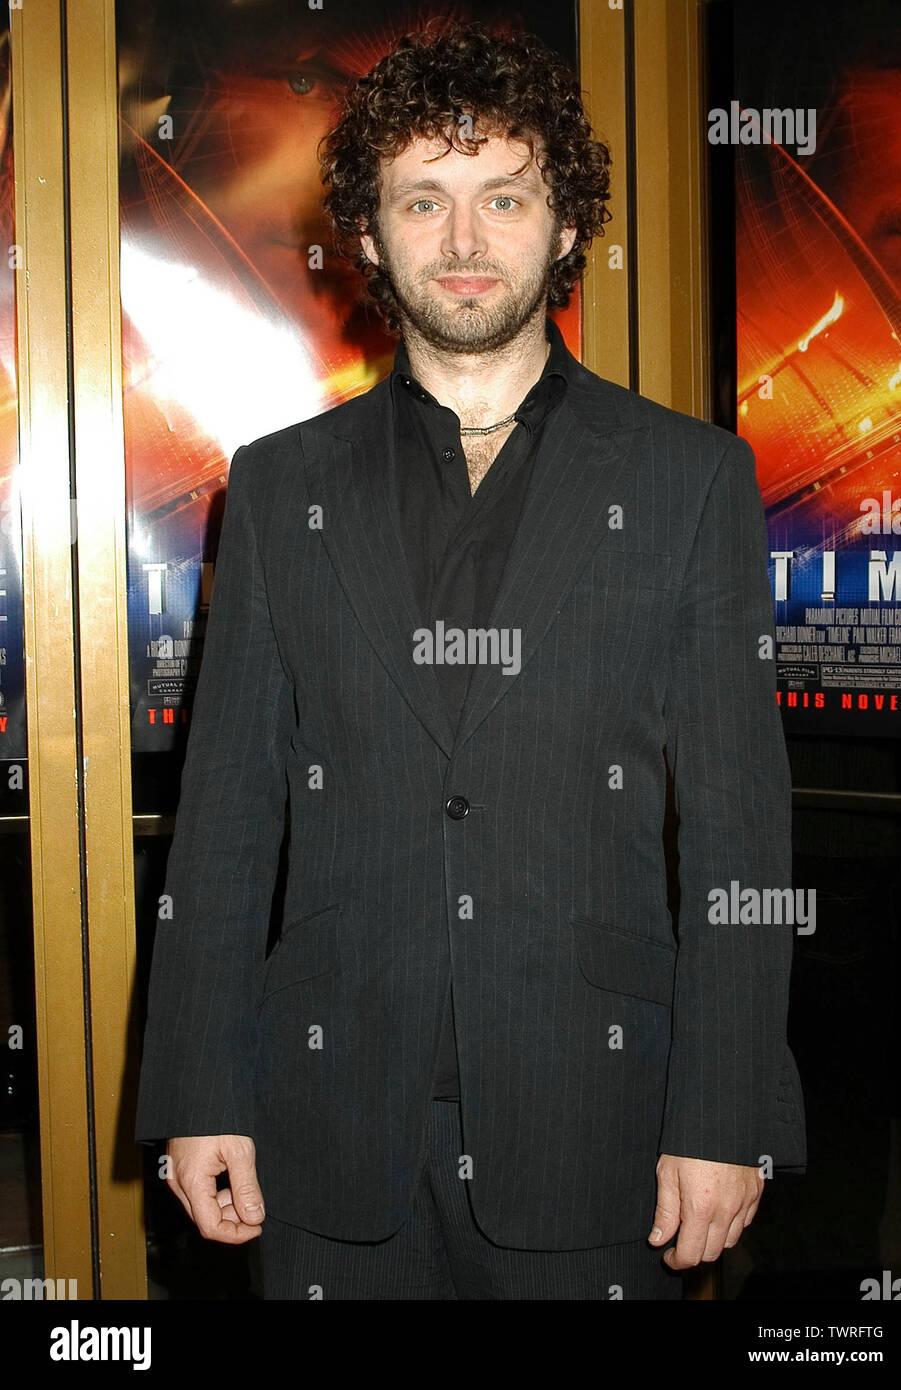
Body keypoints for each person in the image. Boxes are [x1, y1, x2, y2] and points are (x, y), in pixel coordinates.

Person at [134, 22, 806, 1301]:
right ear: (370, 235)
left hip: (603, 1119)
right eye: (422, 201)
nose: (463, 240)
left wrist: (728, 1111)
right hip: (325, 1121)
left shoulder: (689, 480)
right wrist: (198, 1090)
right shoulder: (282, 488)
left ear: (563, 229)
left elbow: (740, 835)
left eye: (504, 197)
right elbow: (224, 820)